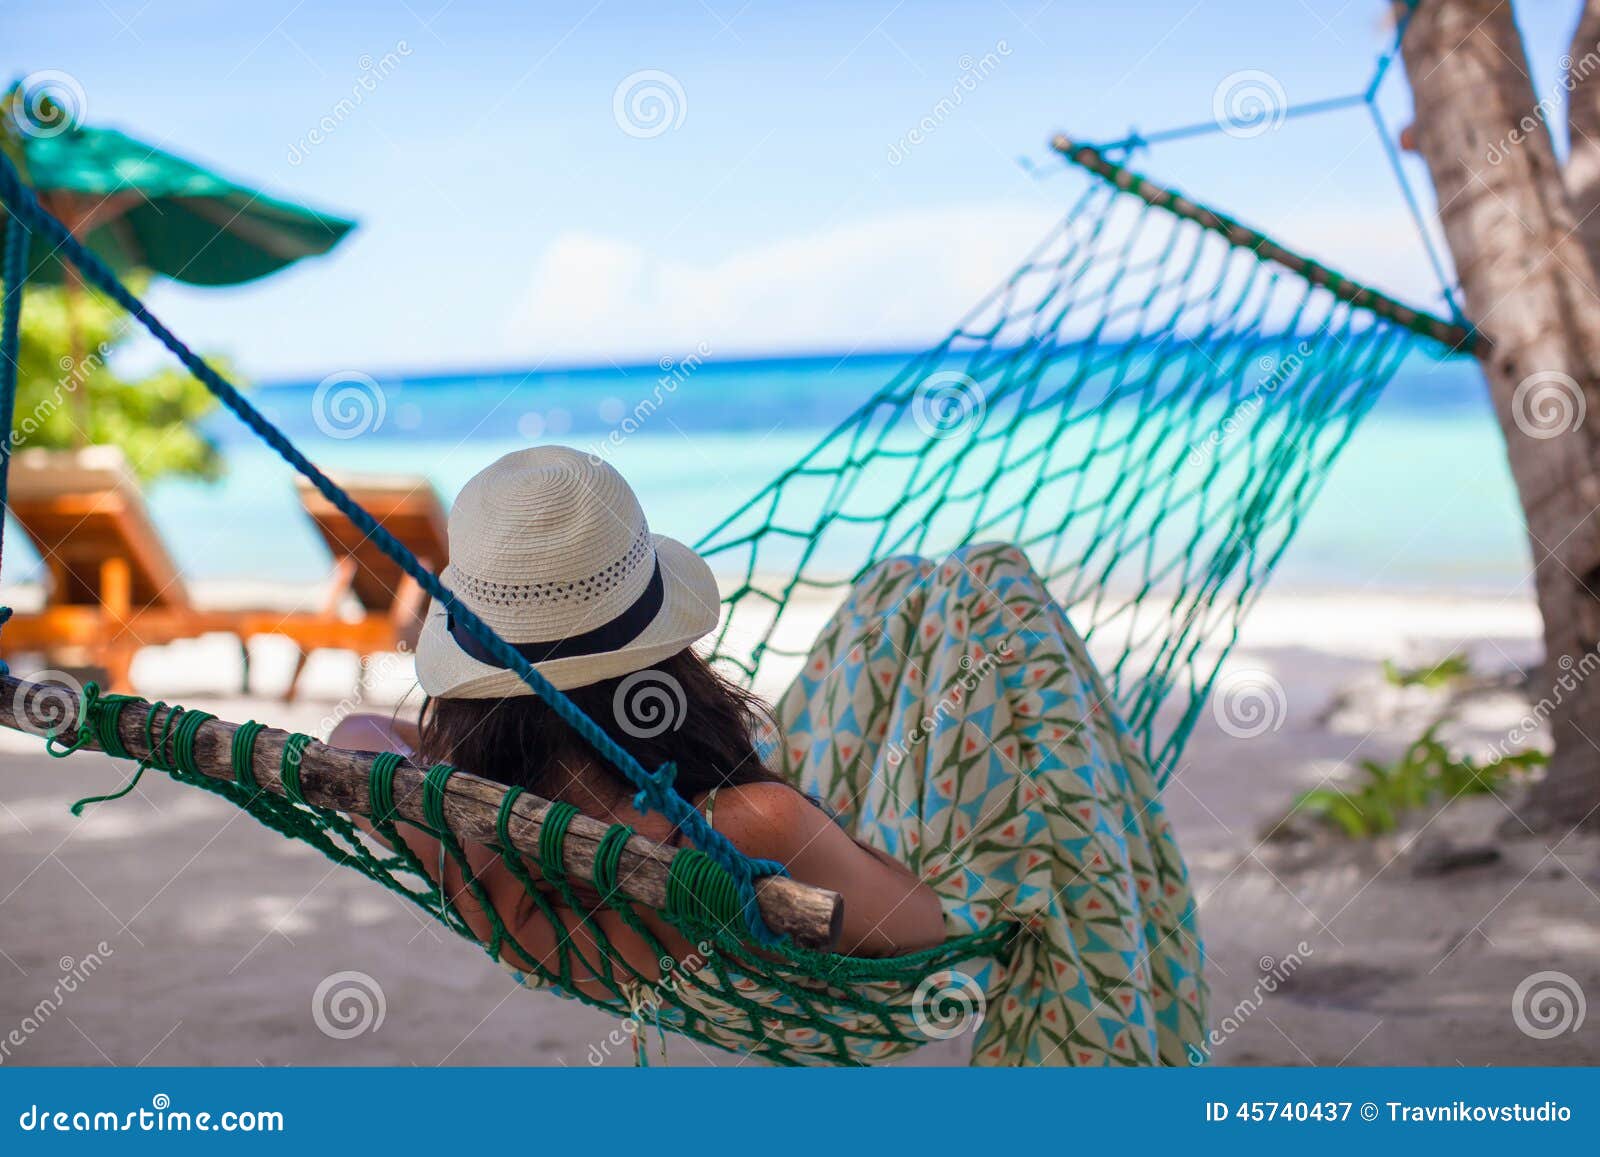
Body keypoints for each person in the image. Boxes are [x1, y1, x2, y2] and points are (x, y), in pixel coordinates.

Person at [335, 446, 1207, 1065]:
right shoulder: (757, 819)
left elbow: (356, 739)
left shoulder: (458, 823)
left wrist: (451, 771)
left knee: (901, 592)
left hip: (684, 880)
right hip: (866, 903)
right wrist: (818, 830)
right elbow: (933, 930)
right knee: (988, 583)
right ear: (663, 659)